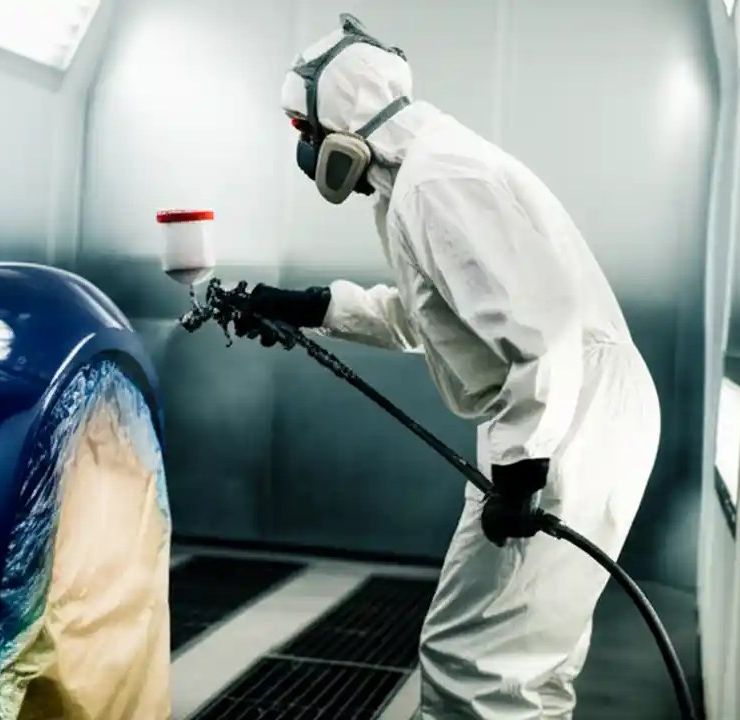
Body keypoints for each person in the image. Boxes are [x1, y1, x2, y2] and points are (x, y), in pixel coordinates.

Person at [241, 13, 662, 719]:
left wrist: (523, 467)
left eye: (301, 130)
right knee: (525, 666)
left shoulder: (438, 181)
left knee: (475, 665)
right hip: (570, 410)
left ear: (343, 124)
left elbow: (544, 329)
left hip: (566, 418)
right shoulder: (424, 172)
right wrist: (310, 305)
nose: (304, 148)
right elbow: (432, 316)